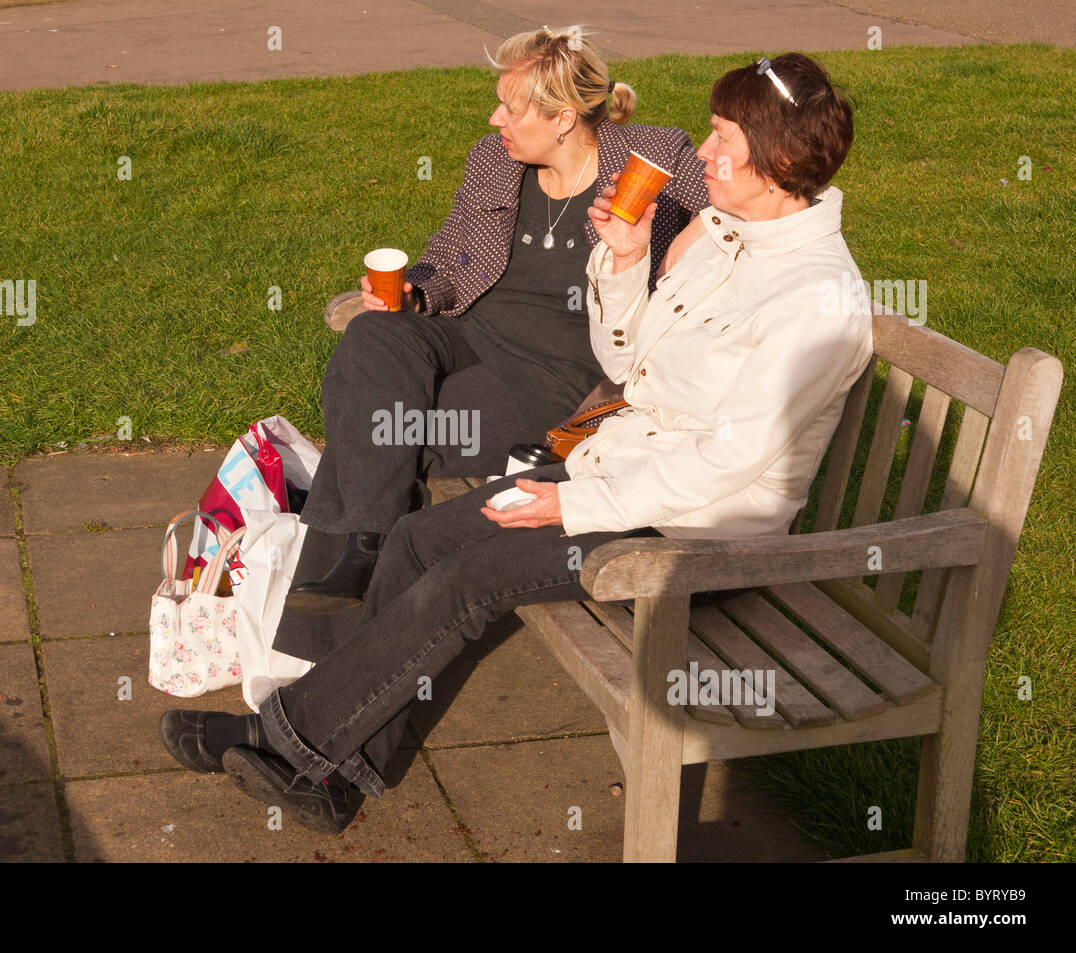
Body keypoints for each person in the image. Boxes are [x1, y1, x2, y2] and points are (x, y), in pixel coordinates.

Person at [160, 51, 873, 836]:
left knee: (464, 583)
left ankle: (285, 737)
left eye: (721, 137)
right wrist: (629, 262)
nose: (704, 154)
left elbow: (727, 461)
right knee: (415, 538)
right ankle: (334, 772)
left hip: (696, 532)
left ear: (774, 162)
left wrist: (567, 502)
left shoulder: (815, 297)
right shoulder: (728, 240)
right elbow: (627, 360)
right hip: (622, 474)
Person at [276, 25, 708, 636]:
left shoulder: (649, 159)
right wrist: (414, 292)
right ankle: (370, 541)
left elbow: (747, 205)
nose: (493, 118)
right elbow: (449, 256)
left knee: (375, 425)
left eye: (510, 106)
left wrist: (681, 245)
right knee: (372, 338)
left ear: (562, 119)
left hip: (559, 379)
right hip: (470, 335)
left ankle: (322, 650)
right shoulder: (495, 163)